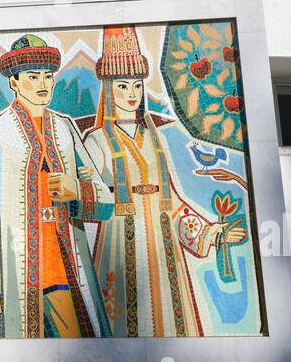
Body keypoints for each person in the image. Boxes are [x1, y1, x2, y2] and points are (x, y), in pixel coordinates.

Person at [82, 26, 247, 337]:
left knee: (171, 318)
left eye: (136, 86)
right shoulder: (97, 140)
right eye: (122, 86)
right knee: (120, 319)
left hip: (163, 241)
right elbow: (88, 199)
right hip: (119, 240)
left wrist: (213, 233)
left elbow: (172, 203)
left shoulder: (154, 138)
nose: (131, 94)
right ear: (108, 89)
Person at [0, 34, 110, 339]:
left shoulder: (66, 128)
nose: (43, 84)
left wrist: (76, 189)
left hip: (66, 267)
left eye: (48, 76)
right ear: (13, 82)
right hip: (15, 270)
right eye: (32, 76)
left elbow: (104, 199)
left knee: (79, 350)